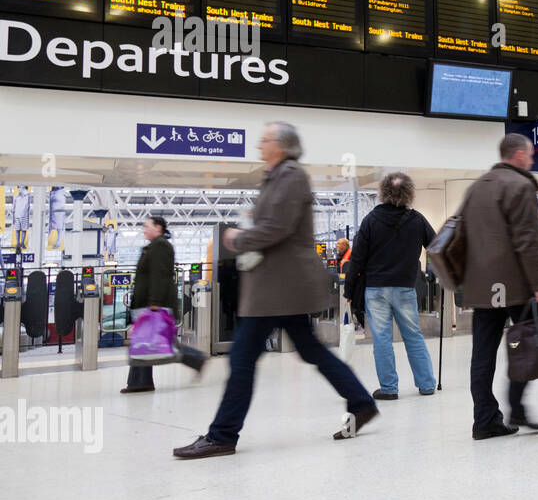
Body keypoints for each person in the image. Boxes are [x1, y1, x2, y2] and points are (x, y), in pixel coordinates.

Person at [173, 123, 379, 458]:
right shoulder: (278, 175)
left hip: (278, 287)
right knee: (311, 351)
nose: (259, 145)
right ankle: (361, 403)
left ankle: (222, 435)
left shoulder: (290, 175)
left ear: (281, 146)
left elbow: (277, 228)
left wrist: (238, 239)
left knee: (242, 359)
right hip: (280, 286)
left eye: (265, 140)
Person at [461, 134, 538, 439]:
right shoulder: (521, 186)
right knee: (527, 346)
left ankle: (484, 420)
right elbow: (527, 239)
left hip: (482, 285)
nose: (532, 160)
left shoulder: (476, 187)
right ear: (517, 155)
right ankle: (517, 407)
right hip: (513, 284)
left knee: (482, 354)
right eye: (530, 156)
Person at [344, 172, 438, 400]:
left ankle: (389, 388)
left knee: (382, 339)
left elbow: (357, 259)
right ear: (409, 193)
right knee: (413, 336)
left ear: (383, 192)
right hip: (405, 287)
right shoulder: (417, 220)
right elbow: (436, 246)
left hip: (376, 289)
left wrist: (349, 290)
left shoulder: (370, 220)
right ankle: (426, 384)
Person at [122, 215, 207, 394]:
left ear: (158, 228)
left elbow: (159, 276)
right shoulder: (153, 246)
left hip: (153, 304)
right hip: (147, 304)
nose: (144, 229)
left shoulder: (160, 246)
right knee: (144, 343)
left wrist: (154, 303)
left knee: (161, 344)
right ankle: (139, 382)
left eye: (147, 226)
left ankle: (197, 359)